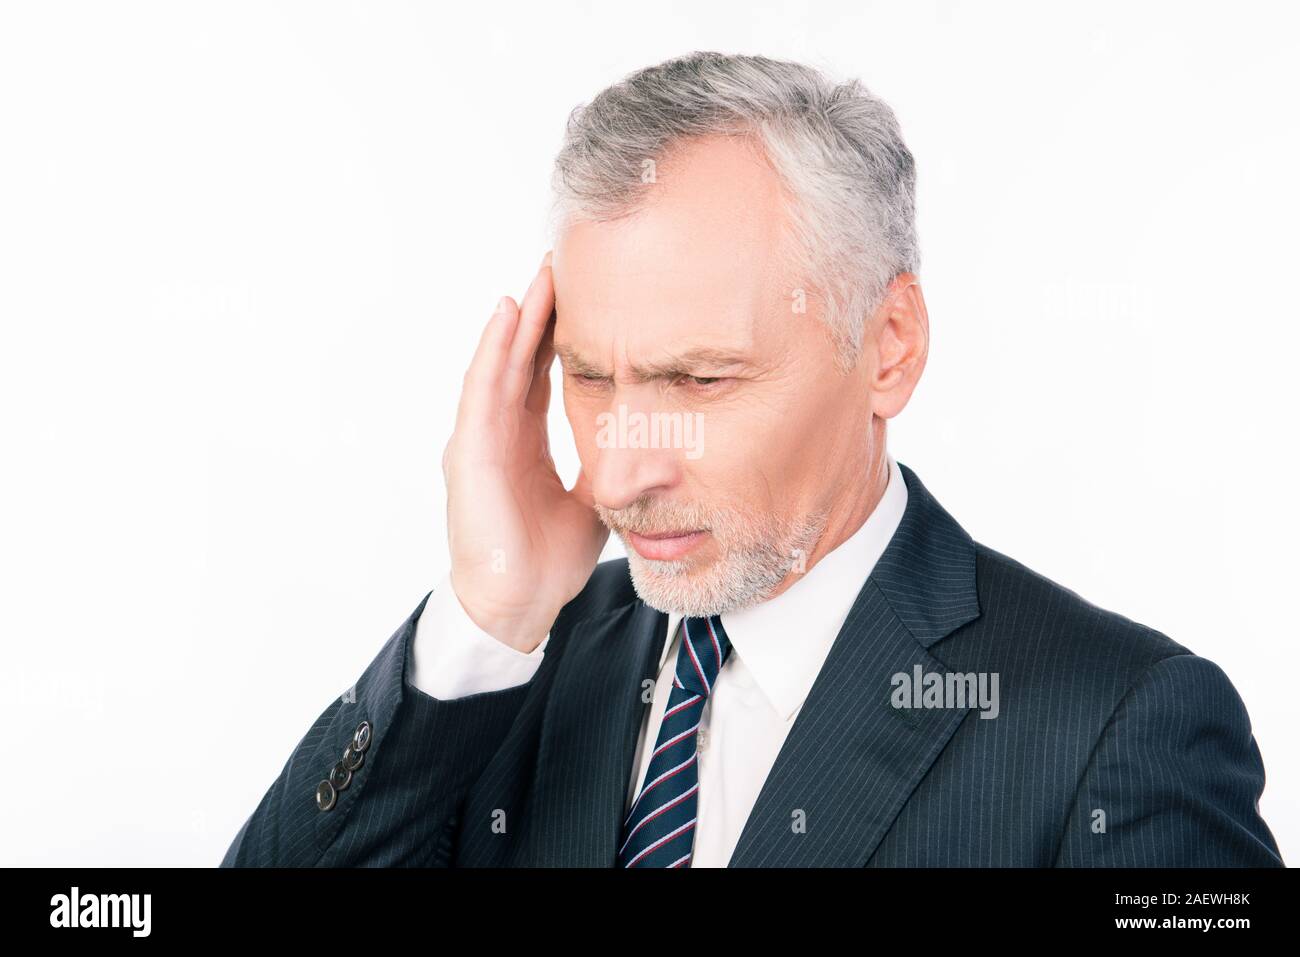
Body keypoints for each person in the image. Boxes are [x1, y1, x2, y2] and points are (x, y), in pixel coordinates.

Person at [221, 52, 1282, 868]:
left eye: (700, 381)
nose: (625, 471)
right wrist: (487, 620)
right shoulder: (503, 681)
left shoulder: (1116, 725)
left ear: (888, 348)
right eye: (590, 379)